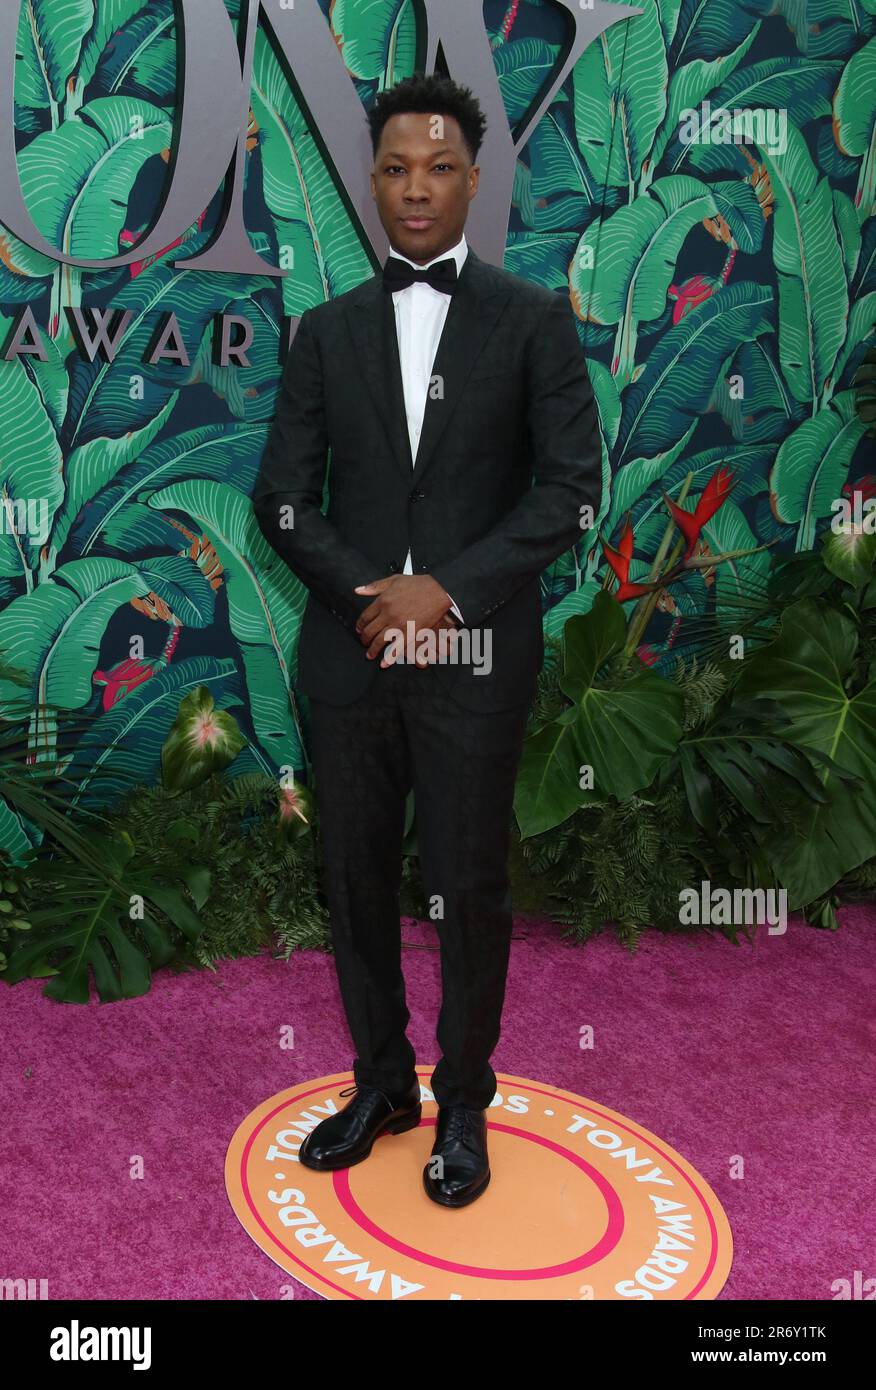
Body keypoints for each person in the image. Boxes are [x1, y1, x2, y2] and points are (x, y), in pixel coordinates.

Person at [252, 72, 600, 1208]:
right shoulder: (325, 332)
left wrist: (443, 592)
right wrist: (378, 592)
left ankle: (461, 1103)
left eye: (439, 167)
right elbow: (284, 500)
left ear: (473, 177)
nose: (416, 188)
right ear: (372, 178)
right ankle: (383, 1082)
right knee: (352, 878)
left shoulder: (533, 322)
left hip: (477, 654)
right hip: (351, 656)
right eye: (396, 167)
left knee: (466, 882)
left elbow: (567, 494)